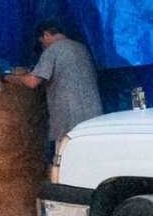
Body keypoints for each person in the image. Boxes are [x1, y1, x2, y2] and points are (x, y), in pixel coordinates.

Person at [11, 20, 103, 182]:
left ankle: (60, 201)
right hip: (93, 119)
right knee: (89, 162)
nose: (43, 47)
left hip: (68, 120)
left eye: (42, 43)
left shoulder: (52, 50)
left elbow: (32, 82)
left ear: (46, 35)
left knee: (63, 164)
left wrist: (10, 77)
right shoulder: (81, 49)